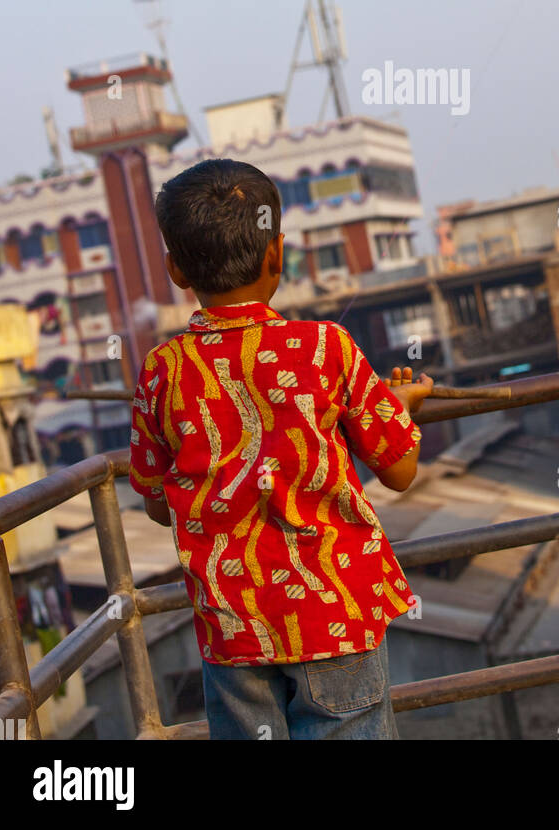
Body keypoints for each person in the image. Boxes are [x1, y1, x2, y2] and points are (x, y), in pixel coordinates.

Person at [128, 157, 432, 740]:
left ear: (174, 268)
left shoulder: (161, 371)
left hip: (233, 629)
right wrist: (401, 405)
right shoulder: (326, 347)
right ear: (278, 254)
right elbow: (398, 470)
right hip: (333, 615)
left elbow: (158, 502)